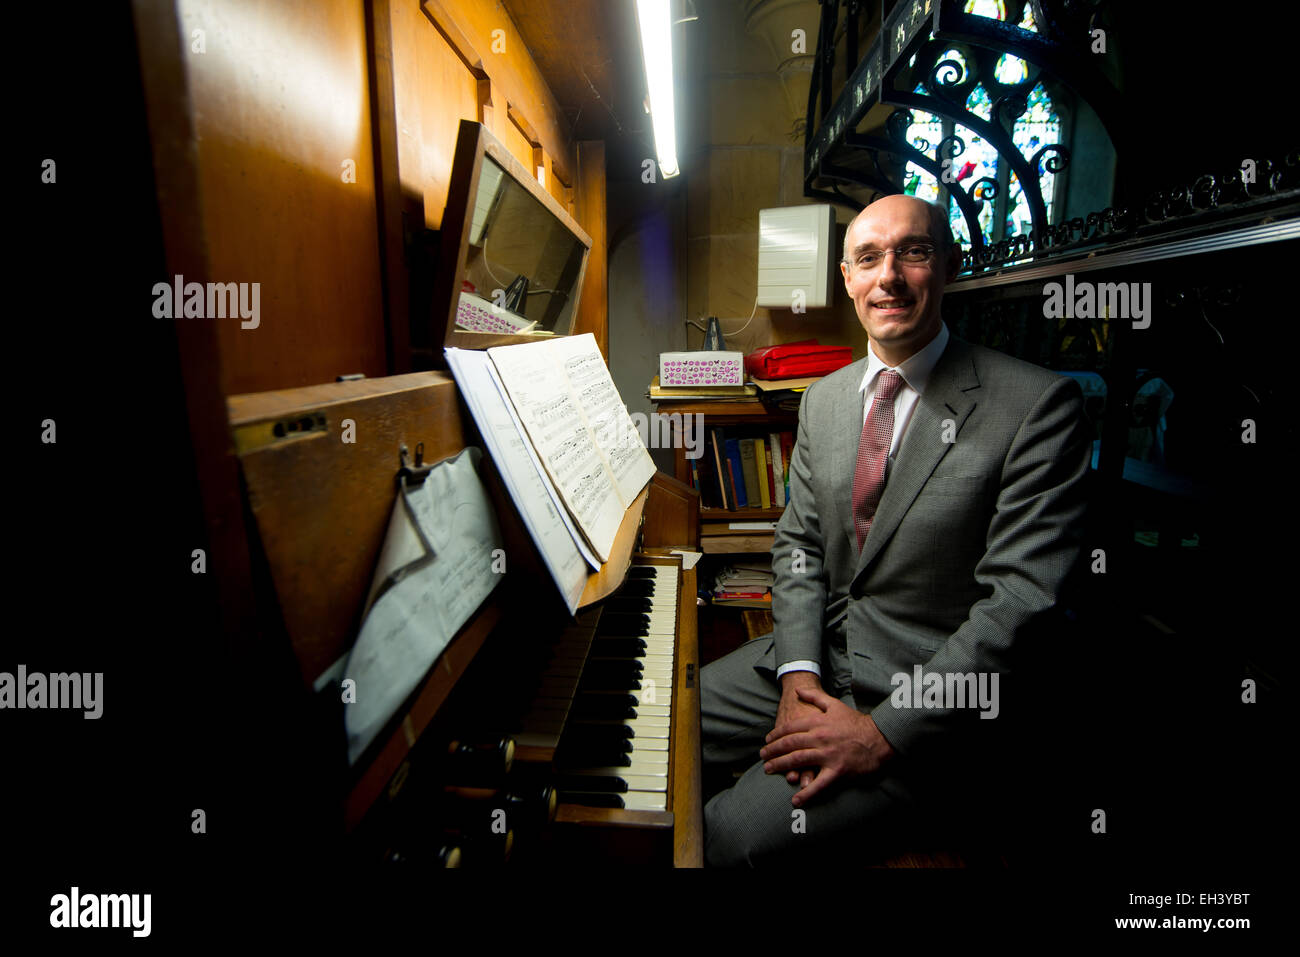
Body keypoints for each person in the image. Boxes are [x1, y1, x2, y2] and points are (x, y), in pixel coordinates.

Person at [701, 194, 1092, 866]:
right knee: (664, 722)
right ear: (847, 278)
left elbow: (1024, 605)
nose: (889, 275)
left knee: (730, 834)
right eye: (868, 257)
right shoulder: (823, 398)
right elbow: (799, 546)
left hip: (927, 696)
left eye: (912, 251)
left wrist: (882, 732)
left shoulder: (1034, 406)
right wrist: (798, 670)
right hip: (820, 658)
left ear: (948, 266)